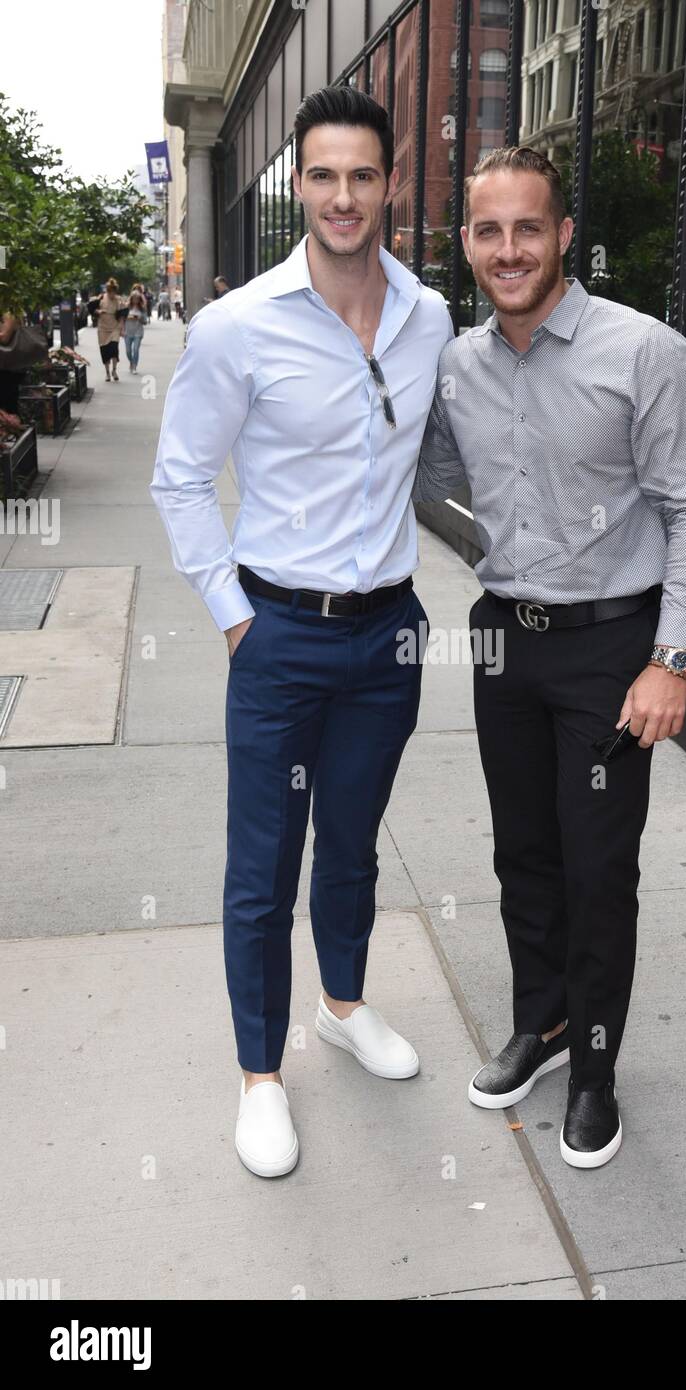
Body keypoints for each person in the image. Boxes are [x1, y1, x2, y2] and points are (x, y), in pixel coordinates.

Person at [150, 86, 454, 1180]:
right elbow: (179, 479)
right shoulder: (237, 326)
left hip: (389, 638)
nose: (342, 195)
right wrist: (236, 621)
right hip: (279, 635)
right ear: (296, 184)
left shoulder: (428, 316)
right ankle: (260, 1076)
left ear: (388, 184)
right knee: (263, 866)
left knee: (355, 845)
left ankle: (342, 1004)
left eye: (362, 176)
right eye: (321, 175)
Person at [413, 146, 686, 1169]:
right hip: (505, 637)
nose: (507, 249)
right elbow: (431, 469)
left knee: (596, 872)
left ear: (560, 235)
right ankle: (541, 1024)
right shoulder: (456, 364)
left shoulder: (642, 352)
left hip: (610, 650)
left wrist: (670, 658)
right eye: (486, 231)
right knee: (524, 856)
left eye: (526, 228)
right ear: (466, 244)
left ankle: (594, 1070)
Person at [96, 277, 126, 381]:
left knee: (114, 349)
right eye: (110, 293)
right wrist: (98, 312)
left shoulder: (119, 300)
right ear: (107, 291)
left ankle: (114, 370)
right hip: (103, 328)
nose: (112, 295)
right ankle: (107, 373)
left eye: (114, 292)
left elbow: (122, 314)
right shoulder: (100, 298)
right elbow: (93, 309)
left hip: (114, 328)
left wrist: (122, 328)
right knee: (105, 351)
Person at [123, 290, 147, 373]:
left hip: (138, 332)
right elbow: (121, 319)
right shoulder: (126, 307)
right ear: (131, 299)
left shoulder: (142, 308)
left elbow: (145, 321)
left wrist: (139, 318)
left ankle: (134, 366)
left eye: (137, 299)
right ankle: (131, 362)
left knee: (136, 350)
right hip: (127, 331)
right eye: (134, 298)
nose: (135, 300)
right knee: (128, 351)